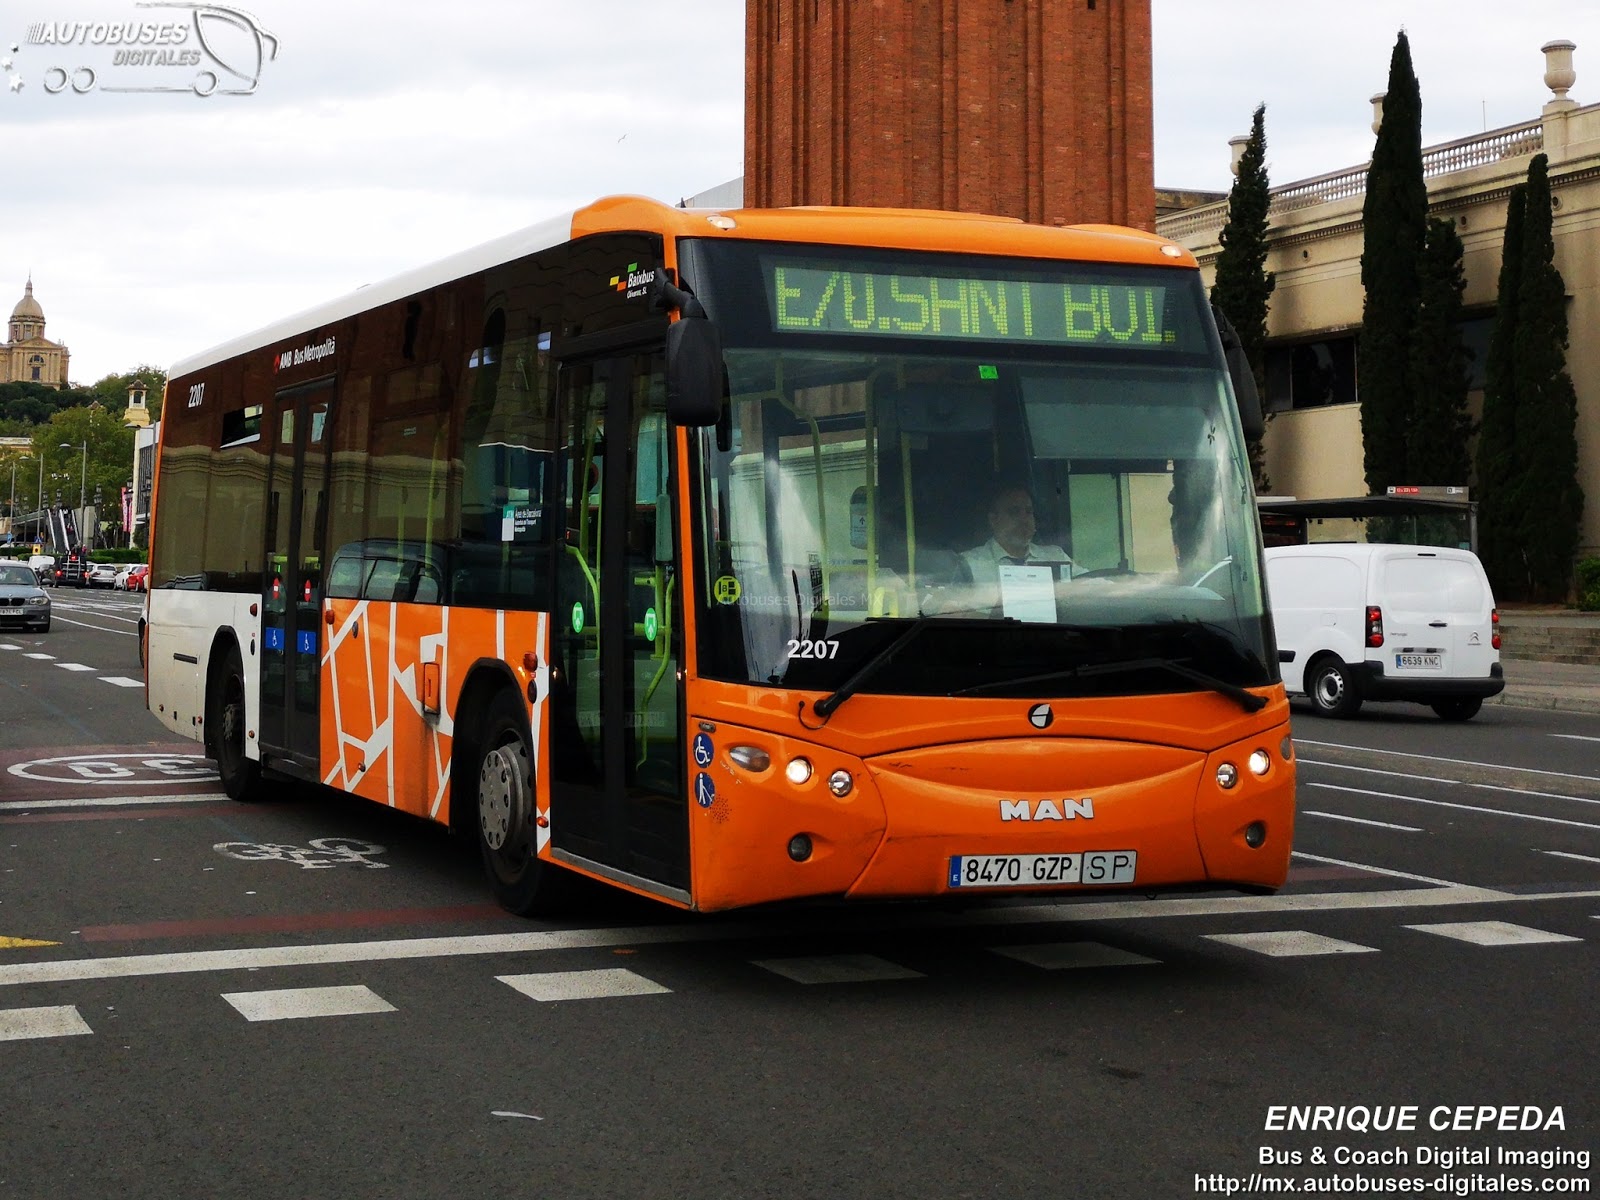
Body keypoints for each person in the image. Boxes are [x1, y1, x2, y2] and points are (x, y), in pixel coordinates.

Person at [961, 485, 1074, 584]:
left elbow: (1088, 585)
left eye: (1029, 512)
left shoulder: (1055, 556)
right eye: (1014, 512)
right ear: (994, 520)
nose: (1024, 519)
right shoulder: (968, 564)